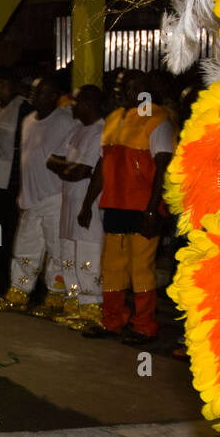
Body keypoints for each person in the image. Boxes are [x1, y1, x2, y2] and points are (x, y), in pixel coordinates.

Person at [81, 69, 175, 345]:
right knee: (111, 267)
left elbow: (162, 168)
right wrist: (88, 203)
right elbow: (102, 165)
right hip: (115, 205)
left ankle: (145, 325)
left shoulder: (158, 119)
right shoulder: (113, 118)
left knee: (140, 270)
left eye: (130, 86)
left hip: (142, 207)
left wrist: (152, 209)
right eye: (120, 86)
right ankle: (113, 320)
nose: (122, 91)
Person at [0, 69, 77, 318]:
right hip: (29, 198)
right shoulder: (28, 121)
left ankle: (56, 299)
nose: (34, 95)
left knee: (57, 251)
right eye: (34, 90)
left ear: (55, 96)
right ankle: (18, 294)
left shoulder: (65, 122)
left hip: (55, 198)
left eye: (41, 91)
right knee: (25, 248)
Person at [48, 84, 105, 330]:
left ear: (89, 105)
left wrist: (71, 169)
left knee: (87, 258)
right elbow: (52, 161)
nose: (74, 106)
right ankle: (73, 305)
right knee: (68, 256)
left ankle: (91, 309)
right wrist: (71, 168)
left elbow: (82, 172)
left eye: (78, 101)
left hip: (87, 206)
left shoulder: (100, 132)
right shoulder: (77, 131)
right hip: (68, 204)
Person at [0, 66, 30, 296]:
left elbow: (24, 149)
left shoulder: (24, 109)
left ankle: (14, 283)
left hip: (11, 186)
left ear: (6, 84)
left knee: (11, 235)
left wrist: (18, 184)